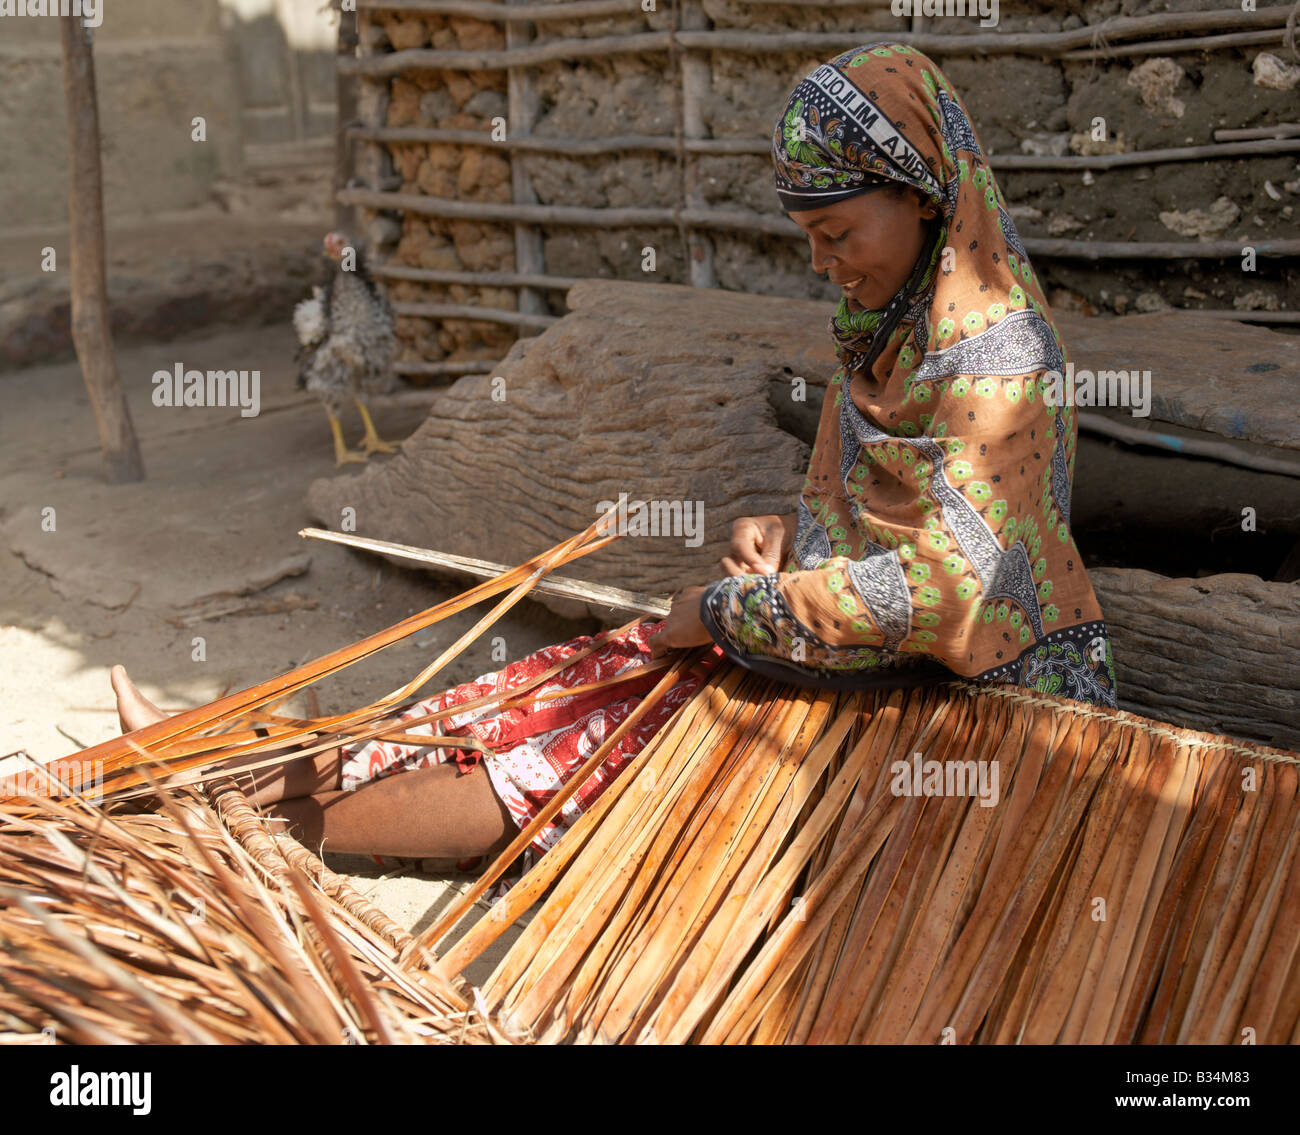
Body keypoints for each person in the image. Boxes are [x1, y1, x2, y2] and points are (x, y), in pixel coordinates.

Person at [113, 42, 1116, 882]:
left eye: (836, 232)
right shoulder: (889, 324)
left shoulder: (998, 353)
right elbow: (877, 518)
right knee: (578, 675)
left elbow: (947, 591)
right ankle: (248, 763)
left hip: (974, 702)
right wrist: (789, 543)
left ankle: (271, 826)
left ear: (922, 191)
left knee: (600, 730)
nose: (823, 262)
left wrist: (729, 610)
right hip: (863, 649)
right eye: (807, 237)